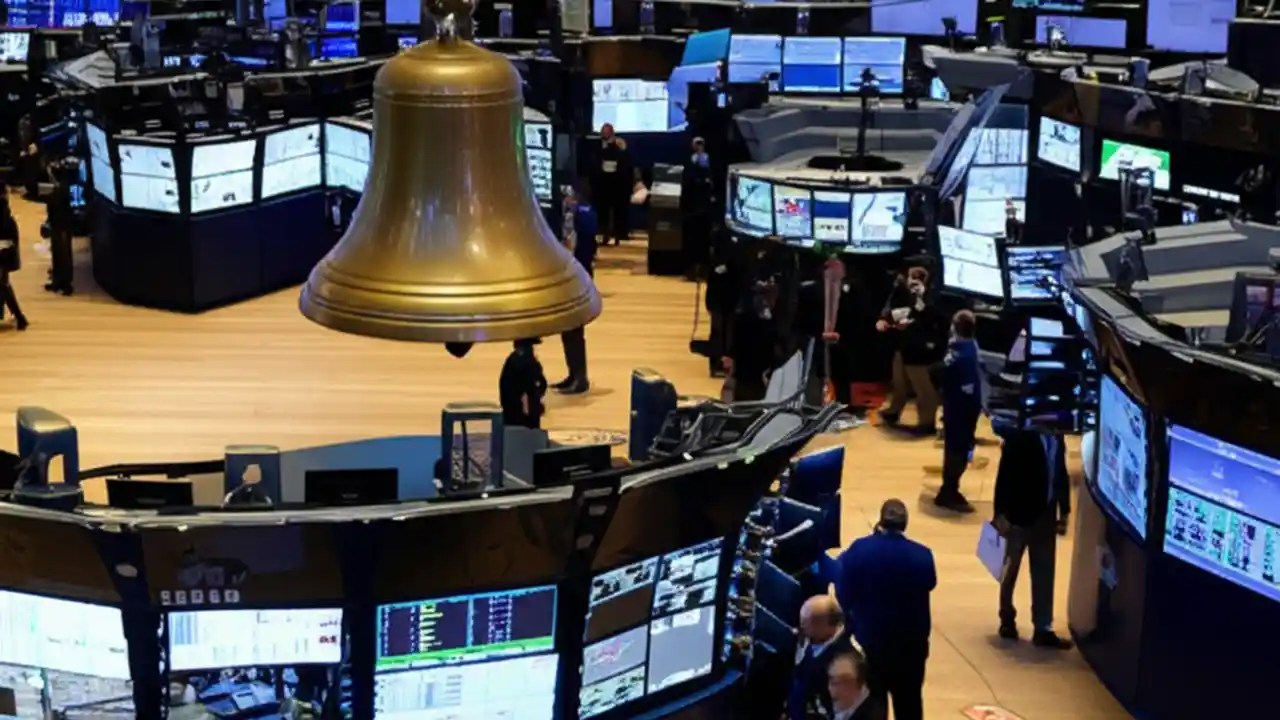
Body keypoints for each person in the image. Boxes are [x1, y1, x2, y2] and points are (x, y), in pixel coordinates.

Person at [834, 499, 935, 720]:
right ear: (905, 525)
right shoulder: (923, 556)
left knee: (873, 706)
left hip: (871, 644)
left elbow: (843, 593)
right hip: (911, 648)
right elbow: (930, 582)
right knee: (909, 705)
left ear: (881, 521)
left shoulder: (860, 550)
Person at [992, 421, 1074, 649]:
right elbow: (1004, 475)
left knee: (1044, 572)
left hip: (1045, 516)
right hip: (1018, 516)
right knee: (1009, 572)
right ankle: (1006, 617)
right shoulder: (1019, 438)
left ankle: (1043, 627)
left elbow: (1060, 474)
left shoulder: (1057, 438)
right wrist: (1000, 513)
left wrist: (1064, 510)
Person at [878, 266, 943, 434]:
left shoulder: (930, 297)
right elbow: (896, 310)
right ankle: (894, 411)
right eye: (911, 278)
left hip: (921, 346)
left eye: (917, 279)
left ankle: (927, 423)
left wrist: (919, 300)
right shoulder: (902, 292)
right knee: (899, 380)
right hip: (904, 343)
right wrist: (886, 320)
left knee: (923, 388)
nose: (913, 282)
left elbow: (929, 317)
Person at [935, 309, 982, 512]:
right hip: (962, 410)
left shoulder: (957, 349)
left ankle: (950, 488)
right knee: (958, 450)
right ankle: (948, 491)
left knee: (955, 449)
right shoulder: (967, 353)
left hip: (956, 407)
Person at [553, 187, 597, 395]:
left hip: (577, 274)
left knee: (574, 329)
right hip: (573, 272)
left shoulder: (581, 213)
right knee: (568, 328)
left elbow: (583, 245)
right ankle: (573, 374)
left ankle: (580, 378)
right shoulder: (579, 211)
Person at [788, 595, 856, 720]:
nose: (798, 630)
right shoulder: (818, 638)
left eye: (805, 625)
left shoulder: (840, 666)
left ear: (827, 626)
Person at [680, 137, 715, 274]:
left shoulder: (708, 160)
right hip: (691, 208)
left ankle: (702, 266)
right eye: (697, 144)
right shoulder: (689, 161)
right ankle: (690, 267)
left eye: (701, 144)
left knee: (703, 240)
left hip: (704, 209)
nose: (699, 147)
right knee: (691, 240)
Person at [593, 123, 631, 245]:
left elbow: (624, 164)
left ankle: (617, 234)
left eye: (607, 131)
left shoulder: (619, 147)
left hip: (616, 184)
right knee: (602, 210)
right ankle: (603, 234)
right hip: (602, 183)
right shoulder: (596, 147)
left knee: (617, 211)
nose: (605, 133)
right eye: (603, 131)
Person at [498, 338, 548, 429]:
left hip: (516, 412)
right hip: (520, 415)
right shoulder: (522, 362)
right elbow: (536, 384)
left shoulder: (514, 361)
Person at [45, 158, 76, 296]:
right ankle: (57, 281)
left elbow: (57, 204)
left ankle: (66, 284)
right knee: (57, 253)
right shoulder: (58, 186)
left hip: (62, 225)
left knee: (64, 255)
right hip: (55, 224)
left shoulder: (62, 188)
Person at [824, 652, 886, 720]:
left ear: (860, 683)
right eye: (832, 681)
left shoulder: (874, 715)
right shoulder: (836, 709)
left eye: (843, 681)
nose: (833, 689)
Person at [0, 193, 28, 331]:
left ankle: (20, 317)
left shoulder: (6, 219)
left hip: (4, 255)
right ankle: (19, 317)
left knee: (3, 286)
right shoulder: (8, 217)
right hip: (5, 255)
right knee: (4, 286)